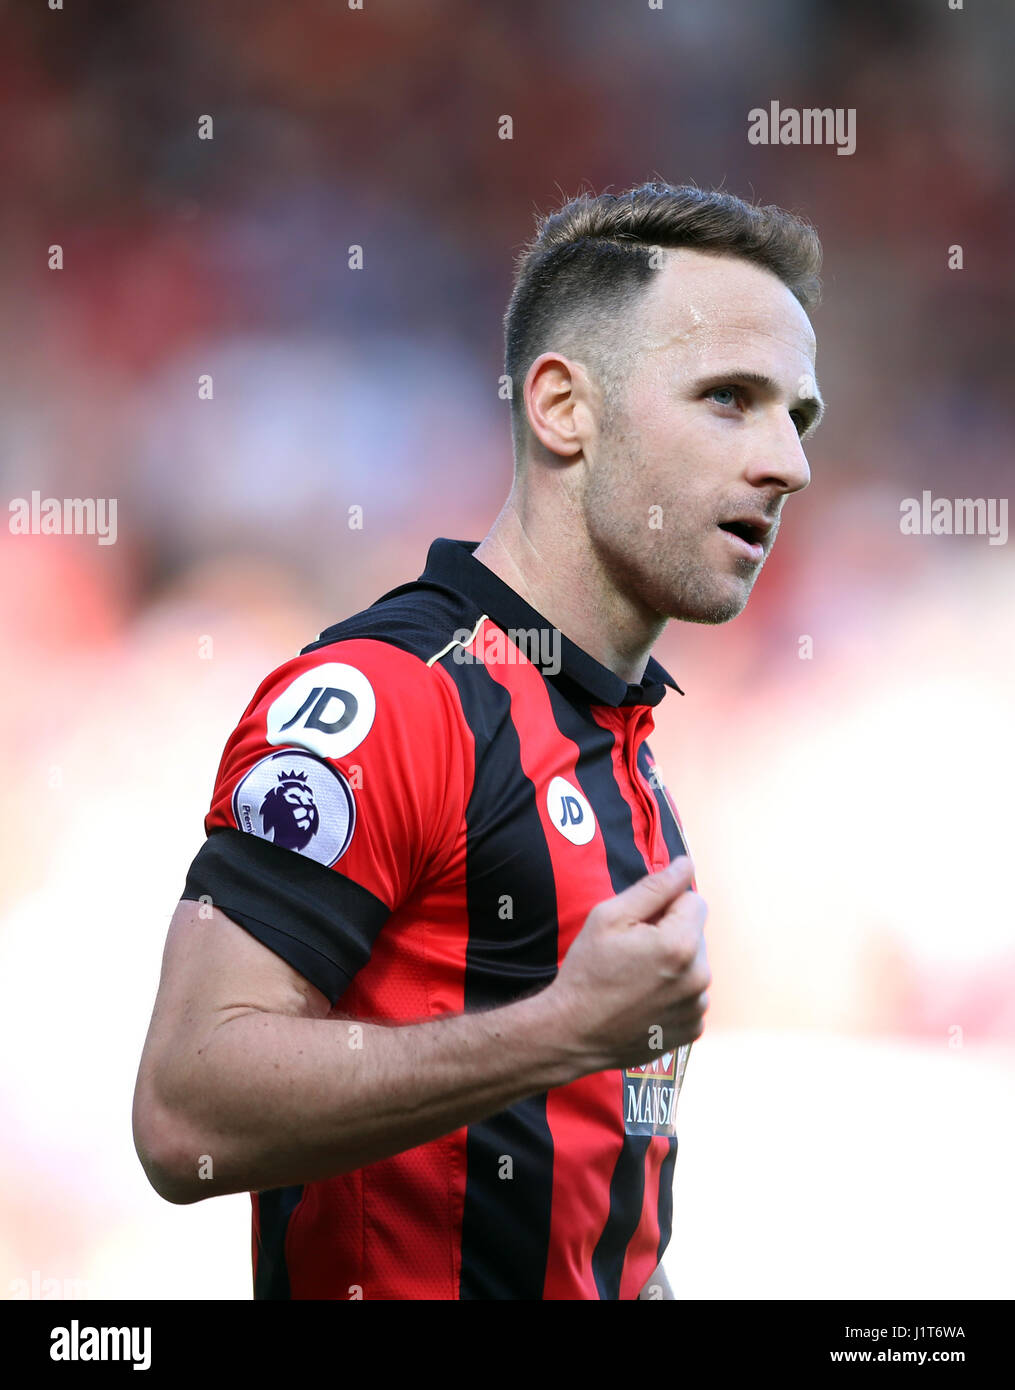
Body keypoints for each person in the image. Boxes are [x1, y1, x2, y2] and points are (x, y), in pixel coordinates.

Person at [132, 180, 824, 1300]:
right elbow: (182, 1109)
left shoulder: (625, 753)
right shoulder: (386, 698)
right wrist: (562, 1028)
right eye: (727, 399)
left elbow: (593, 1231)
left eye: (796, 418)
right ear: (563, 407)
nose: (786, 463)